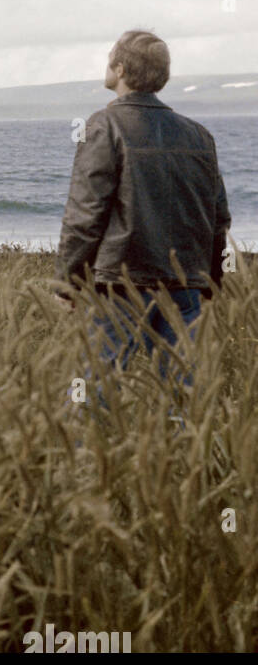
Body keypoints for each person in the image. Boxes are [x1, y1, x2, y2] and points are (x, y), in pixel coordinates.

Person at [54, 30, 231, 410]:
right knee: (185, 399)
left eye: (109, 59)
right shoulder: (200, 136)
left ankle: (79, 465)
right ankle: (185, 467)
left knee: (89, 393)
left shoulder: (103, 125)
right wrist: (211, 280)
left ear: (119, 68)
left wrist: (68, 281)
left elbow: (85, 216)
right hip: (185, 287)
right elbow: (219, 218)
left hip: (120, 284)